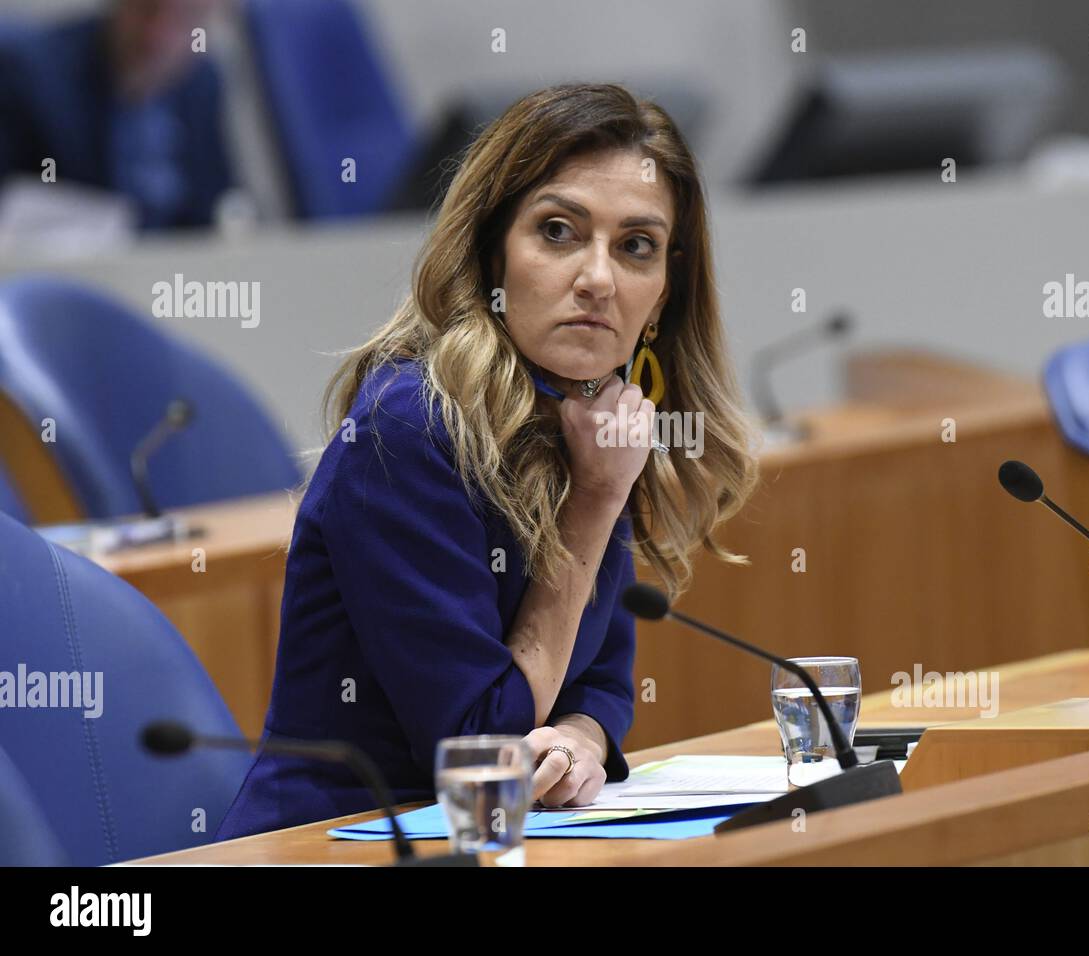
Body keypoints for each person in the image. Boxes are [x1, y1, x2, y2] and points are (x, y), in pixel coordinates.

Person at [215, 83, 760, 839]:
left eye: (637, 246)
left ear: (665, 291)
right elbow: (479, 742)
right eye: (560, 231)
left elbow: (599, 676)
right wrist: (595, 504)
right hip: (330, 846)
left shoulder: (592, 414)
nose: (598, 278)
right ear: (492, 251)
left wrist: (578, 742)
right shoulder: (407, 429)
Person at [0, 0, 232, 230]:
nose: (157, 36)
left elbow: (214, 211)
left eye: (186, 18)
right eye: (147, 9)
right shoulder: (34, 77)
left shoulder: (202, 83)